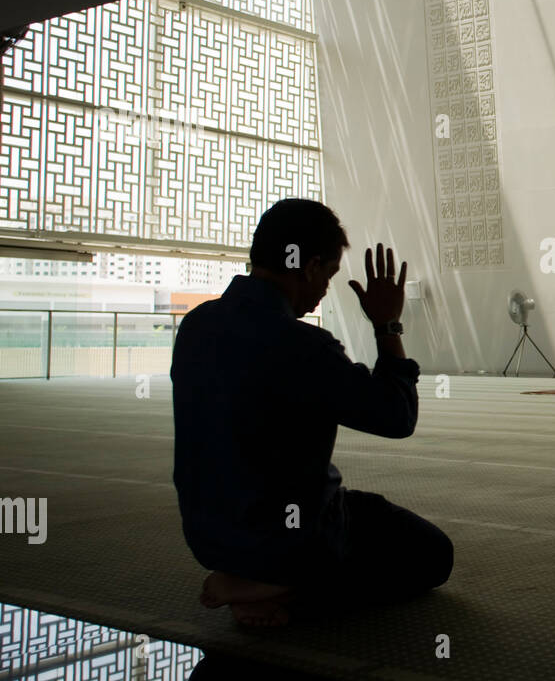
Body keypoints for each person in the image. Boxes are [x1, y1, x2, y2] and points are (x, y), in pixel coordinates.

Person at [170, 198, 453, 626]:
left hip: (208, 537)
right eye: (329, 275)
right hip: (290, 538)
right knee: (433, 556)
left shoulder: (196, 326)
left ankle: (253, 578)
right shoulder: (301, 345)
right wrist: (387, 325)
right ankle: (286, 589)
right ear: (310, 267)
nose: (325, 289)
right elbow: (397, 418)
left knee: (359, 511)